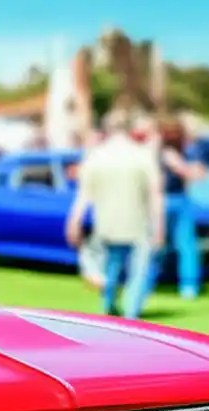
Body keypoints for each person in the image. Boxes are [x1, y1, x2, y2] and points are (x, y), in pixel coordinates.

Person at [66, 109, 164, 319]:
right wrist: (159, 226)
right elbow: (155, 195)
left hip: (107, 224)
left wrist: (74, 222)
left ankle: (109, 305)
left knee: (112, 266)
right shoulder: (142, 155)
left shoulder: (96, 156)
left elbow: (84, 195)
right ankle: (131, 314)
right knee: (139, 272)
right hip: (138, 223)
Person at [155, 115, 207, 298]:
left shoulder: (187, 151)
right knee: (158, 243)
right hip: (163, 199)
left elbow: (198, 173)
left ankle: (189, 285)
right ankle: (151, 280)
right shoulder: (159, 151)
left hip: (177, 198)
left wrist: (183, 166)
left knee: (185, 244)